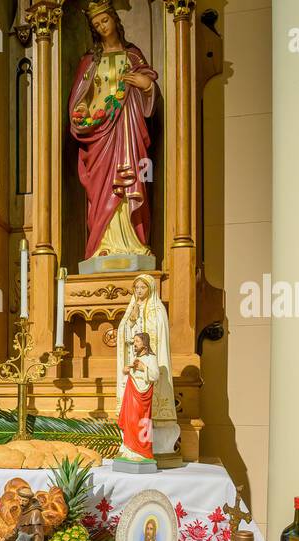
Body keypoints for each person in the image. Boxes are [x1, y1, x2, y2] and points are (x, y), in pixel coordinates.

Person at [67, 0, 158, 263]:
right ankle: (102, 244)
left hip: (128, 128)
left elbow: (150, 93)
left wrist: (146, 85)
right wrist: (82, 109)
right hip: (99, 137)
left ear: (115, 21)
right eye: (96, 25)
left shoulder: (133, 56)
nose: (102, 27)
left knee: (129, 179)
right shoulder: (90, 61)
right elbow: (80, 97)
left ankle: (132, 242)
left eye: (105, 21)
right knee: (102, 188)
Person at [116, 274, 177, 434]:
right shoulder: (132, 308)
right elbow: (124, 332)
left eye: (142, 287)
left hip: (149, 360)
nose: (139, 291)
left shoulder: (157, 309)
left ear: (150, 289)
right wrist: (131, 321)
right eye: (136, 288)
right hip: (134, 357)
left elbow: (158, 334)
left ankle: (147, 433)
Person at [117, 332, 158, 462]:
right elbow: (130, 377)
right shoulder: (134, 358)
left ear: (145, 344)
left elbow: (155, 376)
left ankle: (143, 452)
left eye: (137, 341)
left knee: (141, 422)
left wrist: (143, 368)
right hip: (131, 393)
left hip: (143, 396)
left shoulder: (151, 358)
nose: (134, 344)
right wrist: (125, 371)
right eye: (134, 342)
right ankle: (129, 450)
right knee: (130, 420)